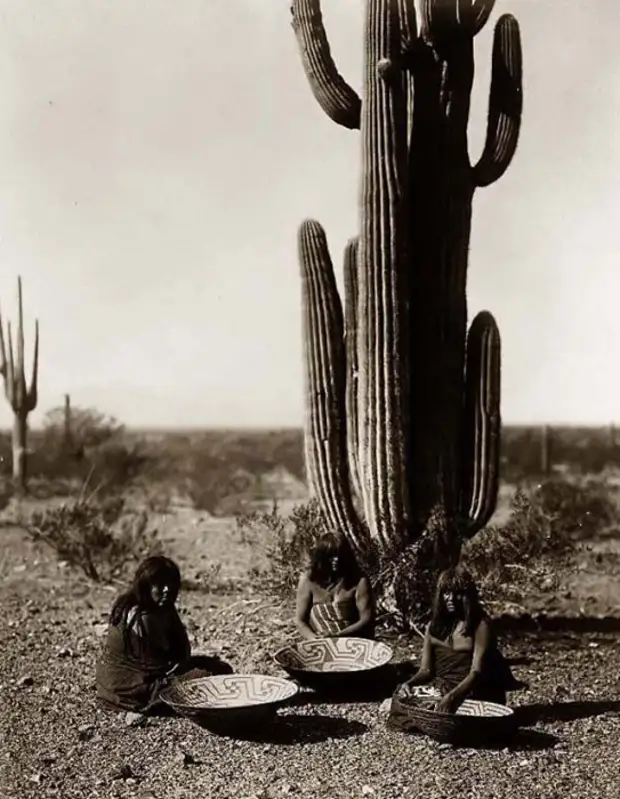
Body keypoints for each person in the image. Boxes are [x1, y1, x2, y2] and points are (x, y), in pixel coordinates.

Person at [96, 555, 232, 714]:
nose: (167, 589)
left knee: (218, 669)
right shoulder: (142, 616)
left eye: (171, 584)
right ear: (146, 585)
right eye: (160, 585)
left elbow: (181, 653)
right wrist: (184, 664)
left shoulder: (159, 605)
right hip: (134, 692)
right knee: (211, 677)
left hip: (131, 682)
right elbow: (161, 667)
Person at [391, 565, 526, 722]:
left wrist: (452, 697)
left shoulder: (480, 626)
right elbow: (426, 670)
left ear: (468, 596)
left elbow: (476, 672)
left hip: (474, 690)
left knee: (451, 712)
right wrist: (408, 684)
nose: (451, 598)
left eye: (458, 593)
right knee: (400, 698)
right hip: (442, 687)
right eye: (446, 593)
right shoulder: (433, 627)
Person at [295, 533, 375, 640]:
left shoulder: (358, 580)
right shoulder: (308, 580)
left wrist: (337, 636)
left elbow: (366, 619)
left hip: (353, 642)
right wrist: (314, 639)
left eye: (340, 555)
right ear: (322, 556)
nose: (336, 560)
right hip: (320, 643)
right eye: (331, 555)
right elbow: (300, 621)